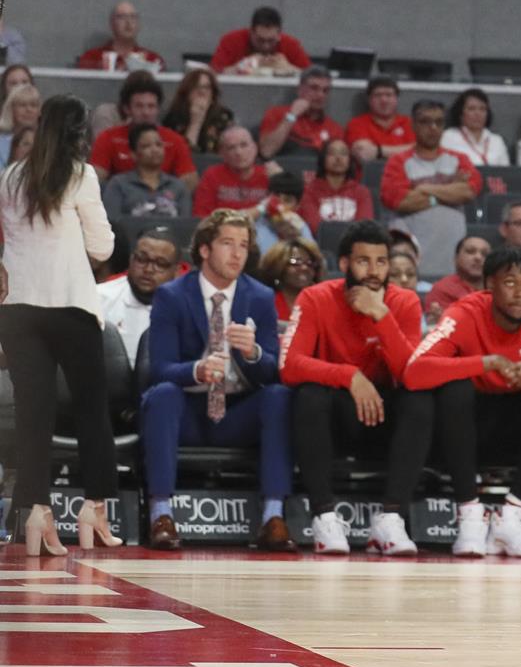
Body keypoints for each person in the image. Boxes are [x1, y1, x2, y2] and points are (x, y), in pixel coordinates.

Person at [0, 93, 120, 556]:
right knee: (91, 412)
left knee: (33, 418)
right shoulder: (81, 174)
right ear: (79, 133)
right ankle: (94, 509)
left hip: (18, 311)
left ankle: (35, 512)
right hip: (71, 307)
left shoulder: (9, 176)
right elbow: (104, 248)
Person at [404, 244, 521, 558]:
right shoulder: (464, 313)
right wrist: (486, 363)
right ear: (489, 286)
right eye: (510, 283)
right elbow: (414, 371)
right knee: (456, 389)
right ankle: (470, 513)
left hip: (517, 427)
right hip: (468, 428)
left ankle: (511, 516)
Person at [140, 209, 296, 551]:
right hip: (188, 411)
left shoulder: (260, 296)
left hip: (238, 412)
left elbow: (273, 371)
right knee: (162, 394)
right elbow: (159, 368)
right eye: (228, 243)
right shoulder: (172, 295)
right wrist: (197, 369)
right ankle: (161, 515)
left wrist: (253, 353)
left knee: (279, 396)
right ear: (205, 250)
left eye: (243, 245)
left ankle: (273, 516)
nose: (237, 253)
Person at [281, 220, 426, 556]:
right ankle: (324, 516)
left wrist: (381, 315)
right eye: (363, 261)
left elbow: (412, 373)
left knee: (420, 400)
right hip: (335, 417)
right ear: (344, 264)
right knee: (309, 394)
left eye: (381, 262)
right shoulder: (315, 297)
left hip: (387, 420)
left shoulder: (404, 302)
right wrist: (349, 376)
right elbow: (289, 366)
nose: (374, 271)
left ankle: (390, 519)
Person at [379, 100, 481, 278]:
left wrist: (424, 188)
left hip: (451, 261)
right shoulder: (398, 161)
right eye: (425, 122)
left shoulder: (459, 159)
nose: (433, 127)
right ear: (414, 125)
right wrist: (448, 190)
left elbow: (468, 191)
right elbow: (401, 202)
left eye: (439, 122)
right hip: (409, 267)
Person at [101, 224, 180, 364]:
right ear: (131, 260)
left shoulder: (186, 308)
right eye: (142, 260)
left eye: (160, 263)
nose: (149, 269)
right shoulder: (99, 297)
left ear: (176, 271)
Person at [104, 123, 192, 218]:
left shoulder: (178, 186)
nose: (155, 150)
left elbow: (185, 225)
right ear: (133, 154)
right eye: (146, 146)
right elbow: (111, 223)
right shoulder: (119, 184)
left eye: (159, 145)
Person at [256, 64, 337, 157]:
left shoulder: (334, 129)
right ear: (300, 90)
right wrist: (292, 115)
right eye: (314, 88)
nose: (320, 95)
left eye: (325, 90)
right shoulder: (276, 113)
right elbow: (267, 151)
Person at [214, 5, 312, 77]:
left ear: (279, 34)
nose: (266, 46)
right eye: (260, 40)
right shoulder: (231, 40)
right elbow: (212, 73)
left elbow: (312, 77)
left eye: (271, 41)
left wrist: (290, 69)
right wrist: (242, 66)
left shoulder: (291, 44)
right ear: (251, 32)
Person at [299, 138, 372, 231]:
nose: (338, 158)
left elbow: (364, 228)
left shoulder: (362, 192)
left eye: (343, 153)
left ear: (350, 160)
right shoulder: (309, 191)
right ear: (323, 159)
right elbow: (314, 226)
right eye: (332, 153)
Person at [76, 0, 164, 72]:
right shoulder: (92, 58)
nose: (128, 22)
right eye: (122, 17)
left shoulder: (152, 60)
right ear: (112, 23)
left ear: (139, 25)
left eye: (133, 17)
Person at [344, 76, 413, 161]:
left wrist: (378, 151)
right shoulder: (357, 124)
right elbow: (363, 153)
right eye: (378, 95)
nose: (384, 100)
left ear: (396, 99)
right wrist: (407, 149)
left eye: (389, 95)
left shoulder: (410, 123)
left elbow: (421, 152)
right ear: (369, 99)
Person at [442, 86, 510, 166]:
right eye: (471, 109)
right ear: (460, 113)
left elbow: (506, 173)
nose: (477, 114)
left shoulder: (497, 141)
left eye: (482, 109)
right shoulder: (447, 137)